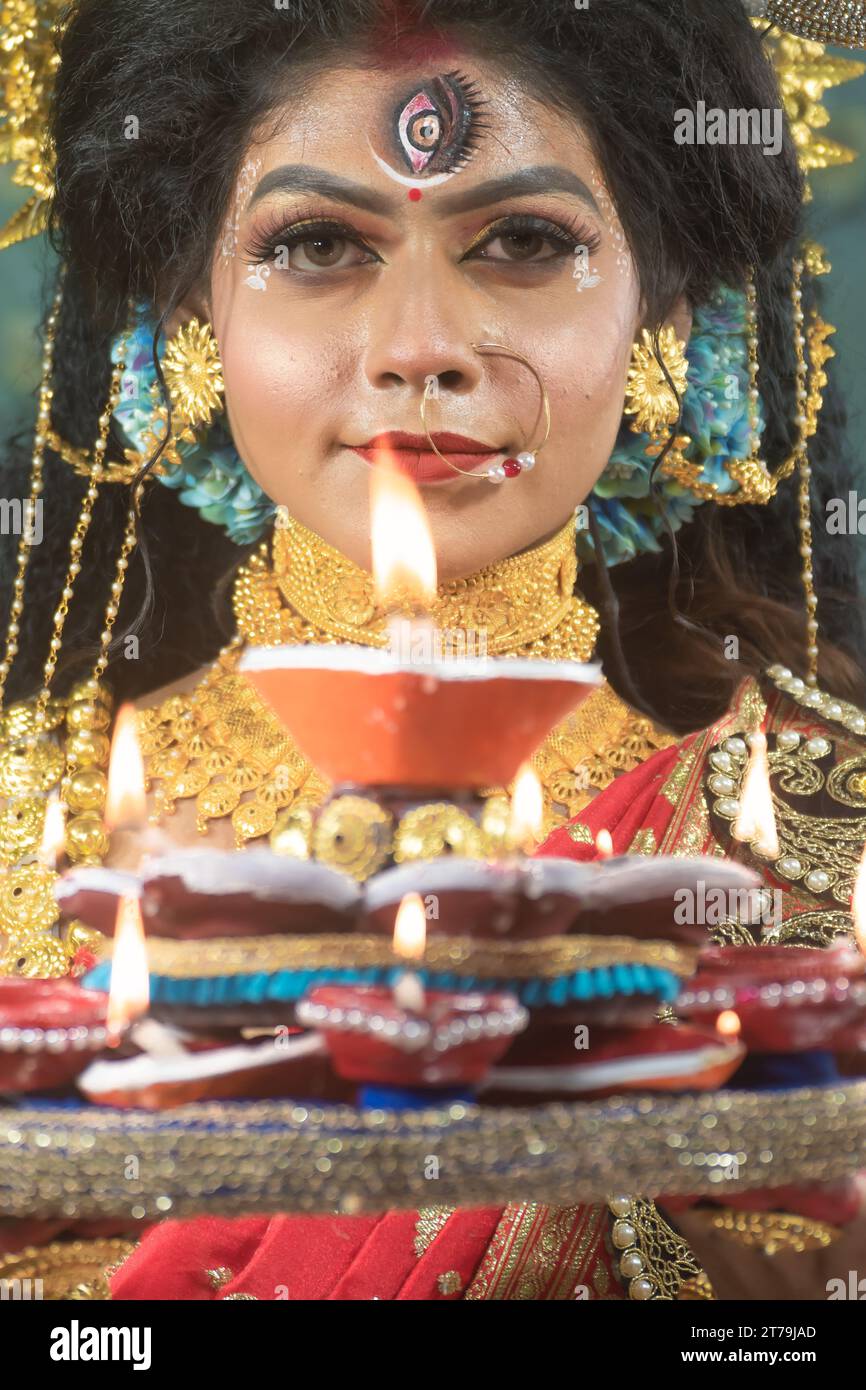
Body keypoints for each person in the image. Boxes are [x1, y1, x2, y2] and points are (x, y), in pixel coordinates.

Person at [1, 0, 865, 1300]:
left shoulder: (809, 850)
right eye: (315, 244)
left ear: (662, 310)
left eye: (523, 240)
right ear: (190, 313)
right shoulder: (23, 837)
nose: (420, 349)